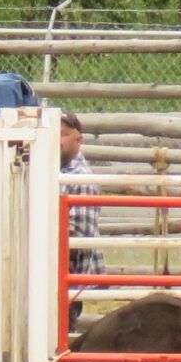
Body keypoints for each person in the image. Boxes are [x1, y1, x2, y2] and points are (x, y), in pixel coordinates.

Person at [59, 111, 105, 329]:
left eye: (63, 134)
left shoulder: (81, 179)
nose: (57, 140)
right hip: (53, 274)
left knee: (58, 328)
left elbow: (78, 241)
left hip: (65, 278)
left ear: (79, 140)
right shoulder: (53, 171)